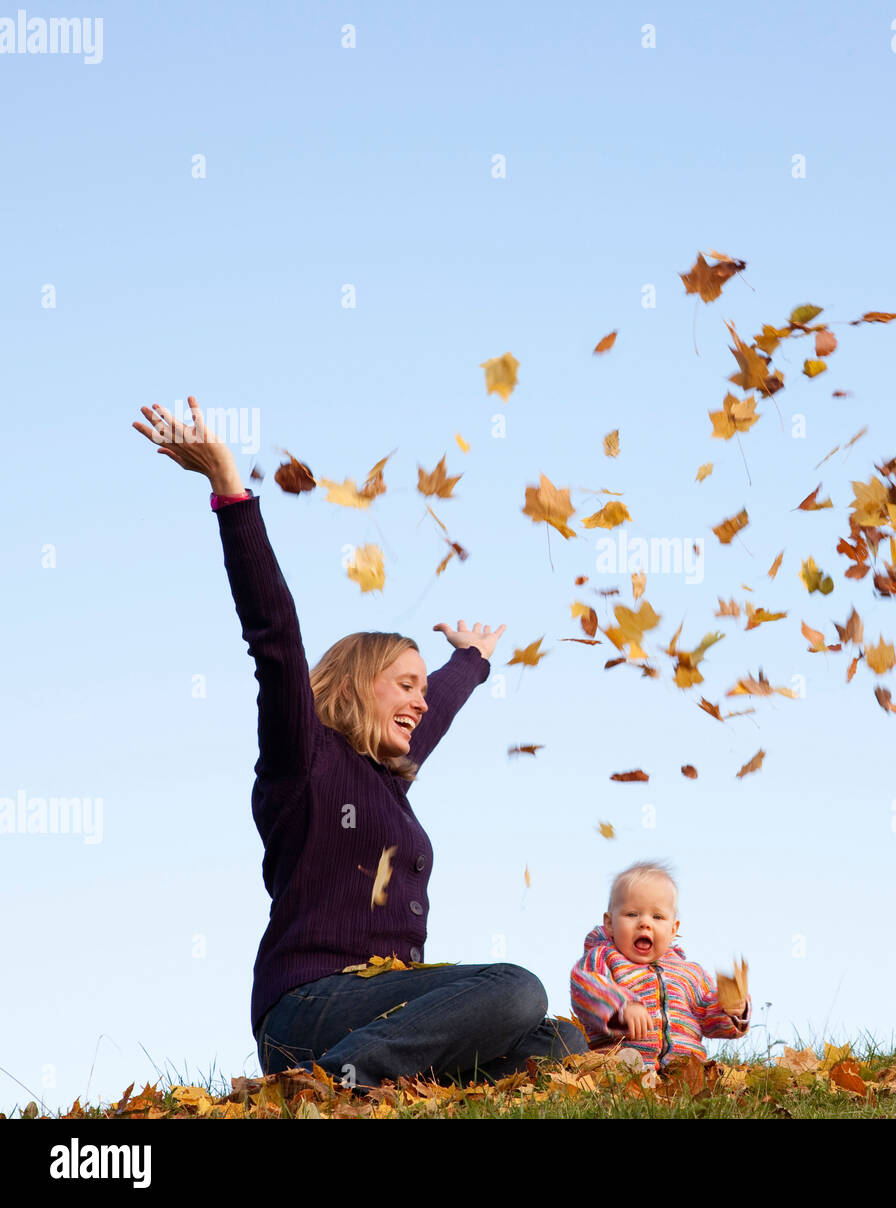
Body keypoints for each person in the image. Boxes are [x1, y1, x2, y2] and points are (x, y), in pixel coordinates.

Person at [131, 395, 584, 1089]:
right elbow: (274, 638)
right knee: (519, 989)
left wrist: (470, 661)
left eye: (422, 687)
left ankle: (382, 1078)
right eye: (404, 683)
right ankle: (333, 1083)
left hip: (389, 1004)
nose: (420, 699)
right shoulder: (303, 755)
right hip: (308, 1009)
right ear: (355, 683)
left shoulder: (388, 776)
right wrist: (230, 490)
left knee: (557, 1039)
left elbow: (439, 710)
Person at [570, 860, 750, 1070]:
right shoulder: (603, 958)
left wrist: (732, 1010)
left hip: (682, 1071)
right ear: (609, 923)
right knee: (619, 1067)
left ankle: (686, 1076)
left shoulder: (690, 974)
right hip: (621, 1063)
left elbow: (708, 1015)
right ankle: (625, 1076)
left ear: (673, 929)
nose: (645, 923)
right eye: (631, 914)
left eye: (657, 916)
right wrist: (622, 1006)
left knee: (695, 1077)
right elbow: (586, 987)